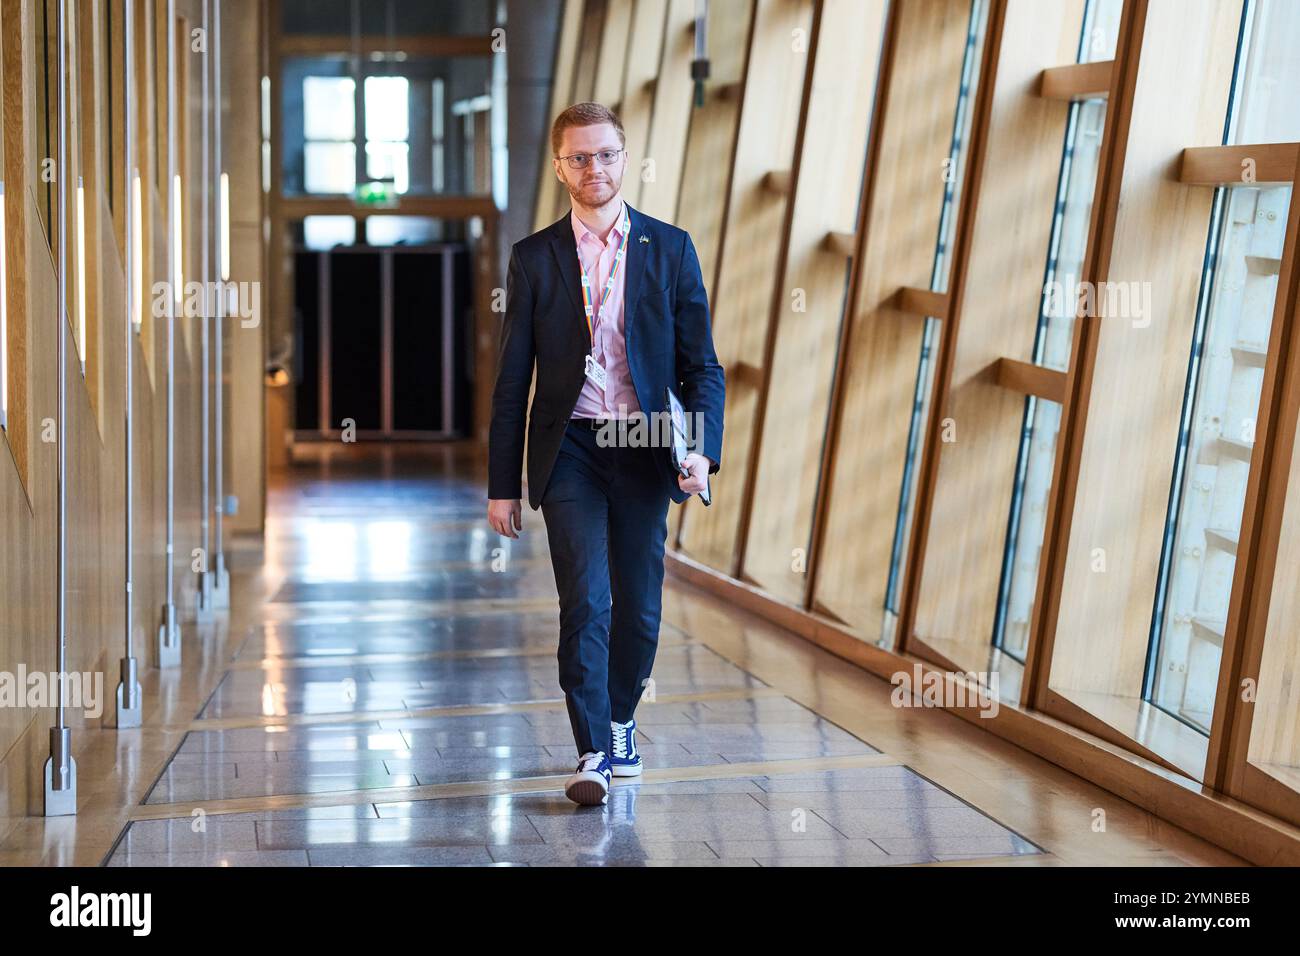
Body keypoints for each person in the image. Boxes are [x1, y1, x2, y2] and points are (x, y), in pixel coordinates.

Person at [486, 102, 725, 806]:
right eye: (580, 157)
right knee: (585, 600)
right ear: (561, 166)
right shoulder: (534, 258)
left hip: (646, 447)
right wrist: (503, 485)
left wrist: (702, 452)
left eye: (607, 155)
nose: (596, 168)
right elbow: (511, 381)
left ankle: (622, 719)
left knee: (640, 610)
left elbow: (702, 368)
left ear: (625, 158)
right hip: (573, 449)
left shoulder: (671, 248)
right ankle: (592, 748)